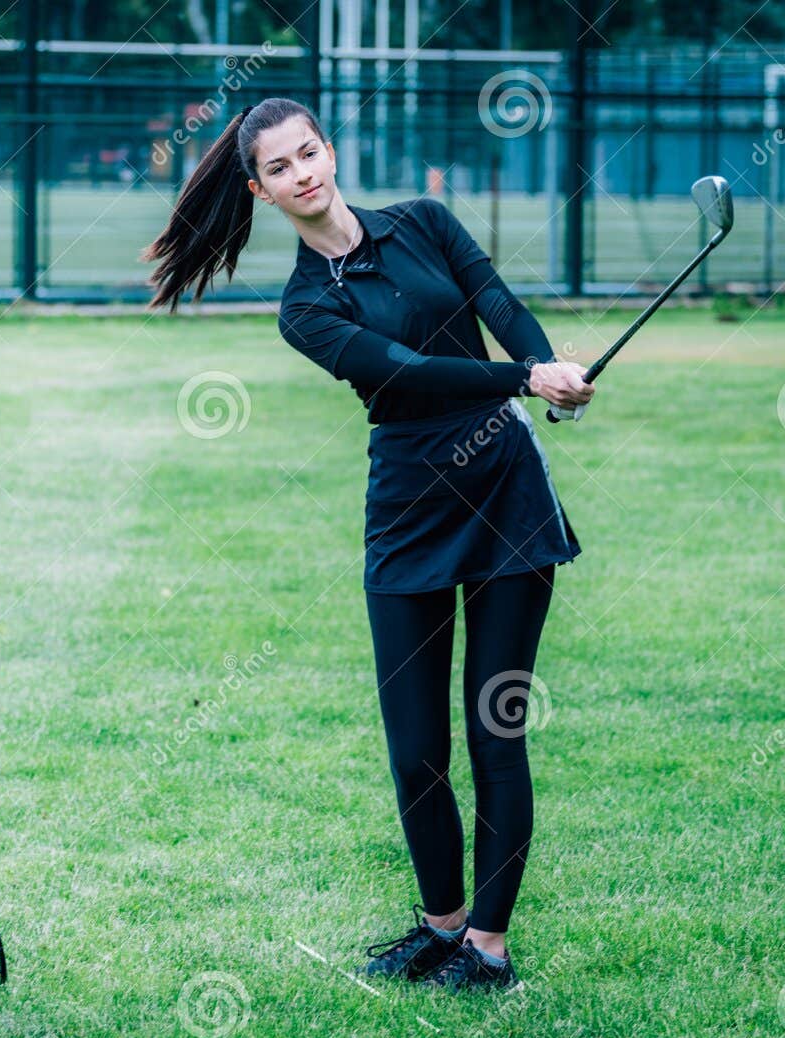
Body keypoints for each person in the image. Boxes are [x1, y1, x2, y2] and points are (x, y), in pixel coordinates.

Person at [144, 98, 594, 992]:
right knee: (415, 746)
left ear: (330, 150)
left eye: (309, 152)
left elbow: (496, 301)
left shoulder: (424, 221)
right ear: (261, 191)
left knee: (494, 730)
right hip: (409, 506)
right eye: (280, 168)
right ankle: (442, 927)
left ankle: (489, 951)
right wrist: (521, 374)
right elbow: (407, 372)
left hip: (504, 489)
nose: (302, 172)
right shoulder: (304, 308)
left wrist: (550, 374)